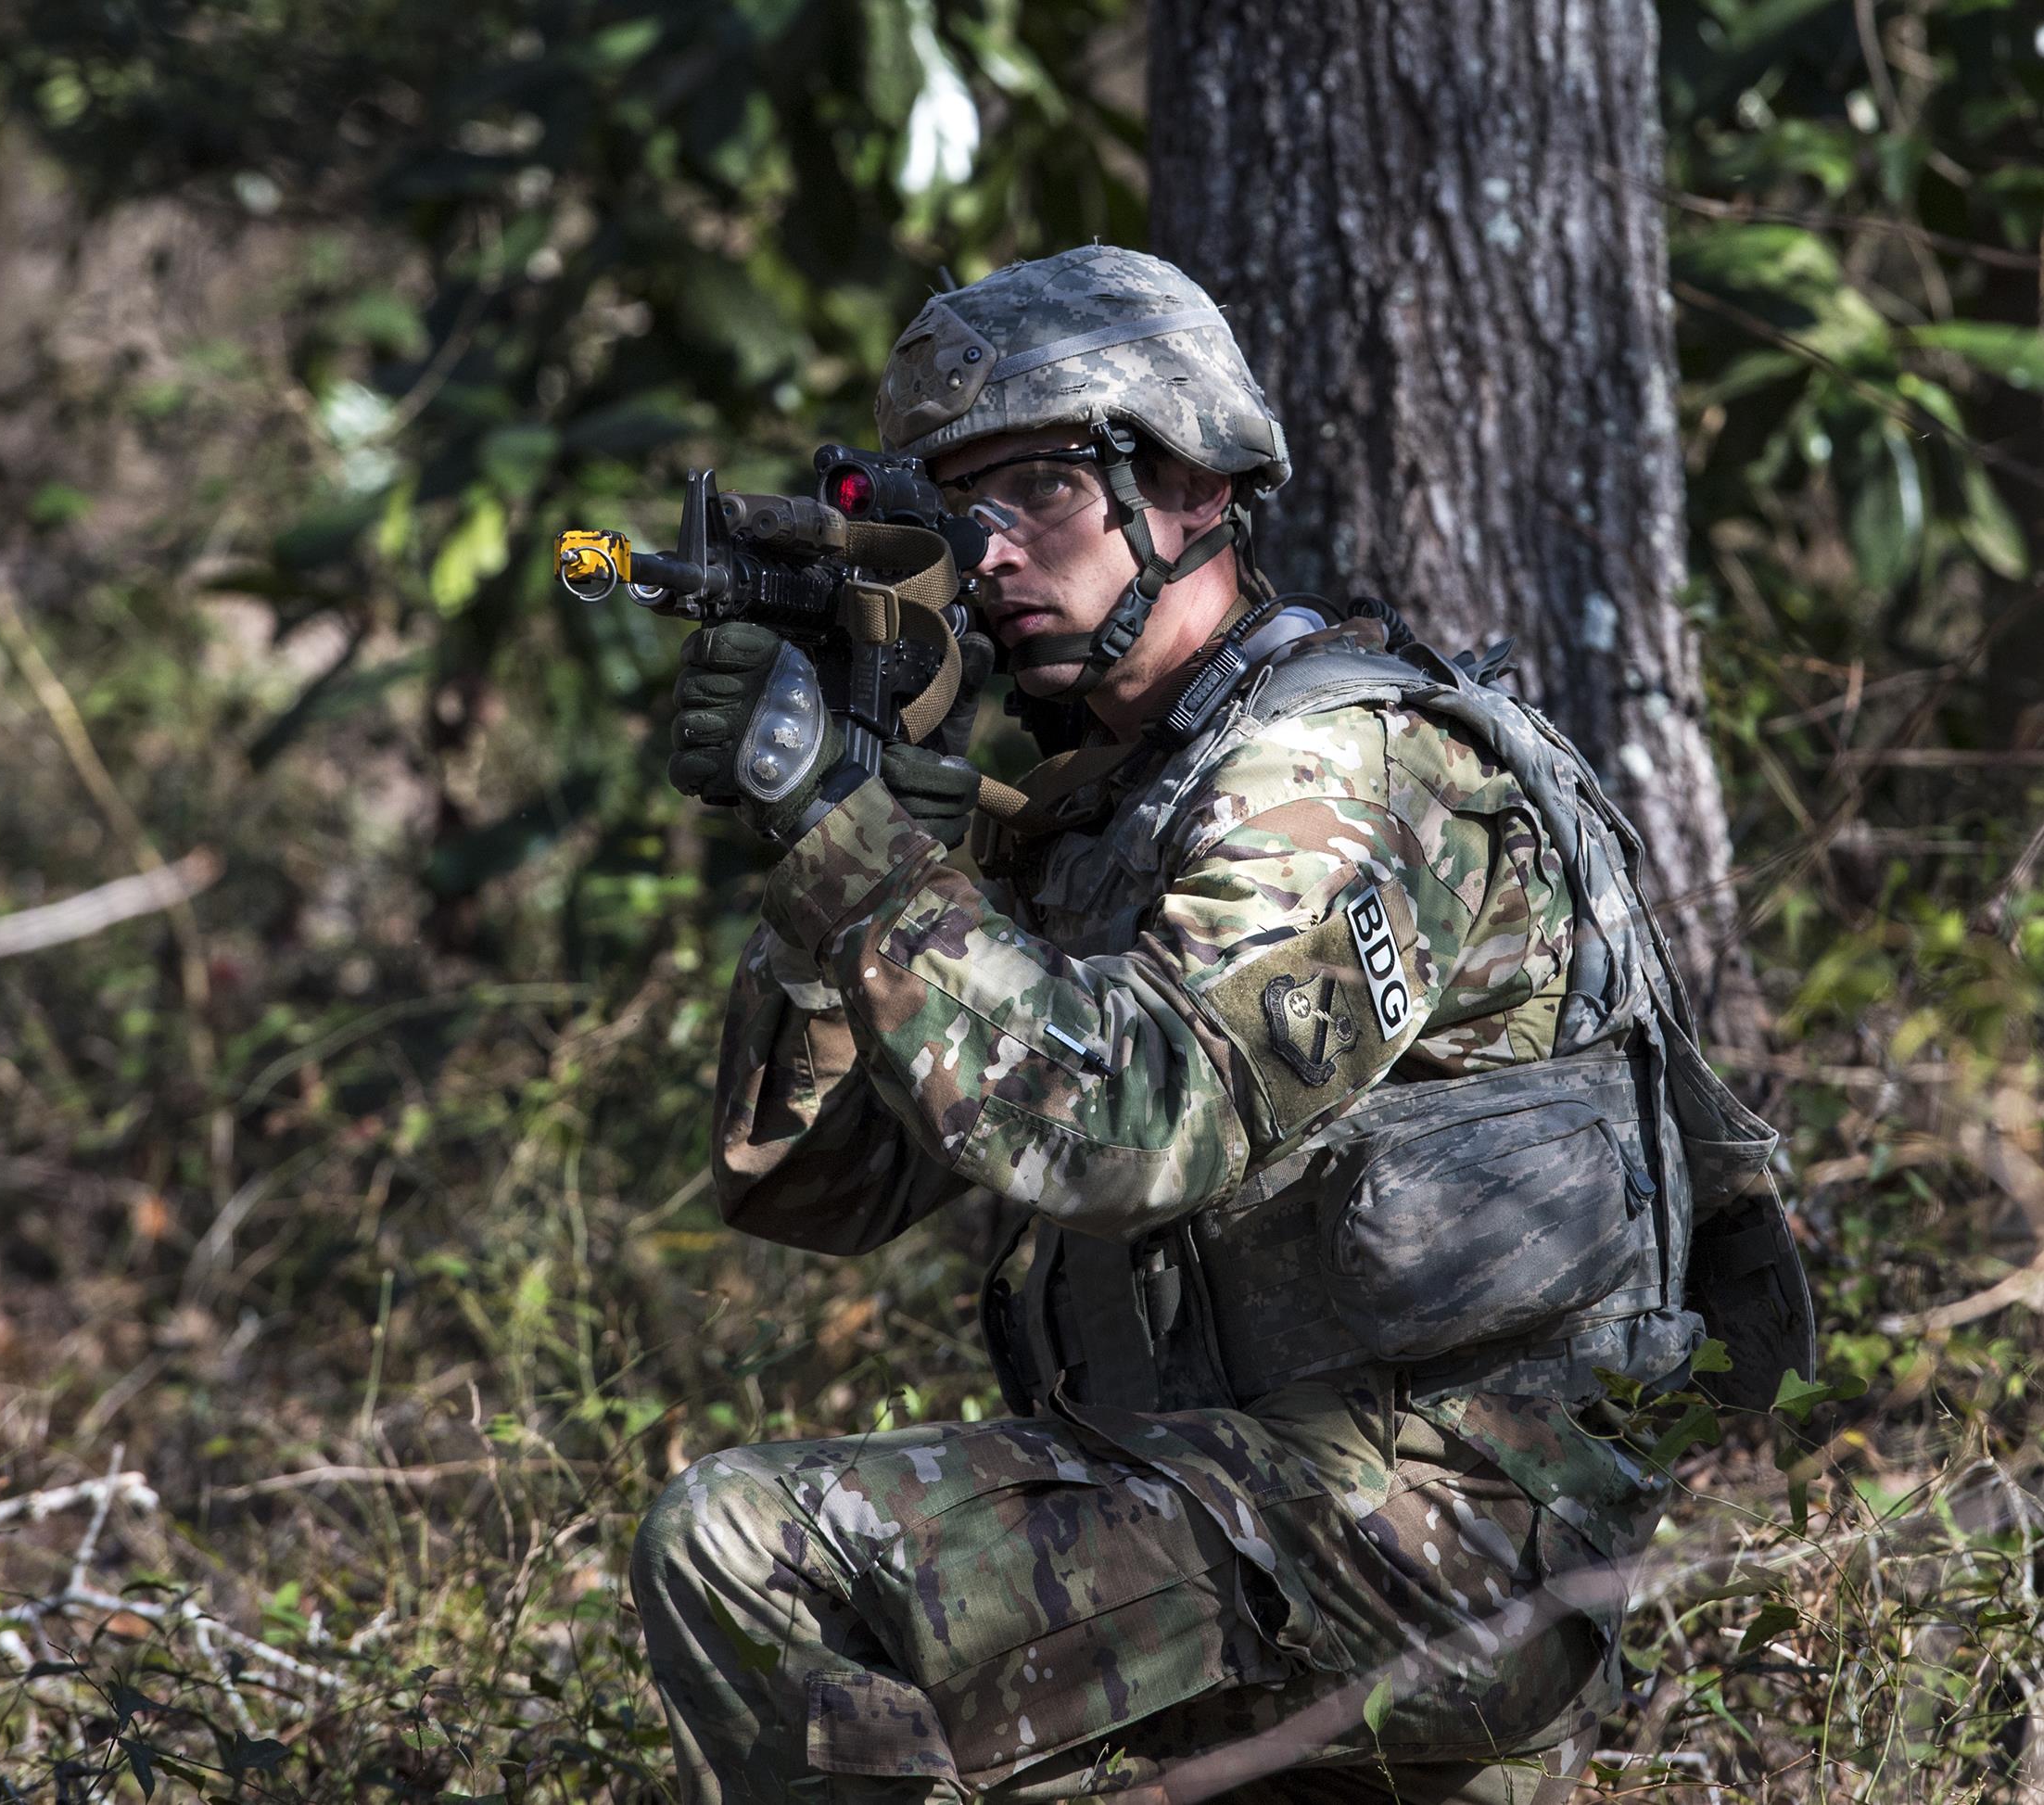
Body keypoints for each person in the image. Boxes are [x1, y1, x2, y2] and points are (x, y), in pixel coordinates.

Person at [628, 246, 1813, 1803]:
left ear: (1190, 482)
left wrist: (852, 839)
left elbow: (1134, 1129)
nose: (985, 556)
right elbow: (813, 1188)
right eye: (953, 512)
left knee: (748, 1550)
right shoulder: (1097, 810)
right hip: (1254, 1530)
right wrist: (839, 848)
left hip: (1441, 1548)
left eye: (1039, 490)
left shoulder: (1338, 777)